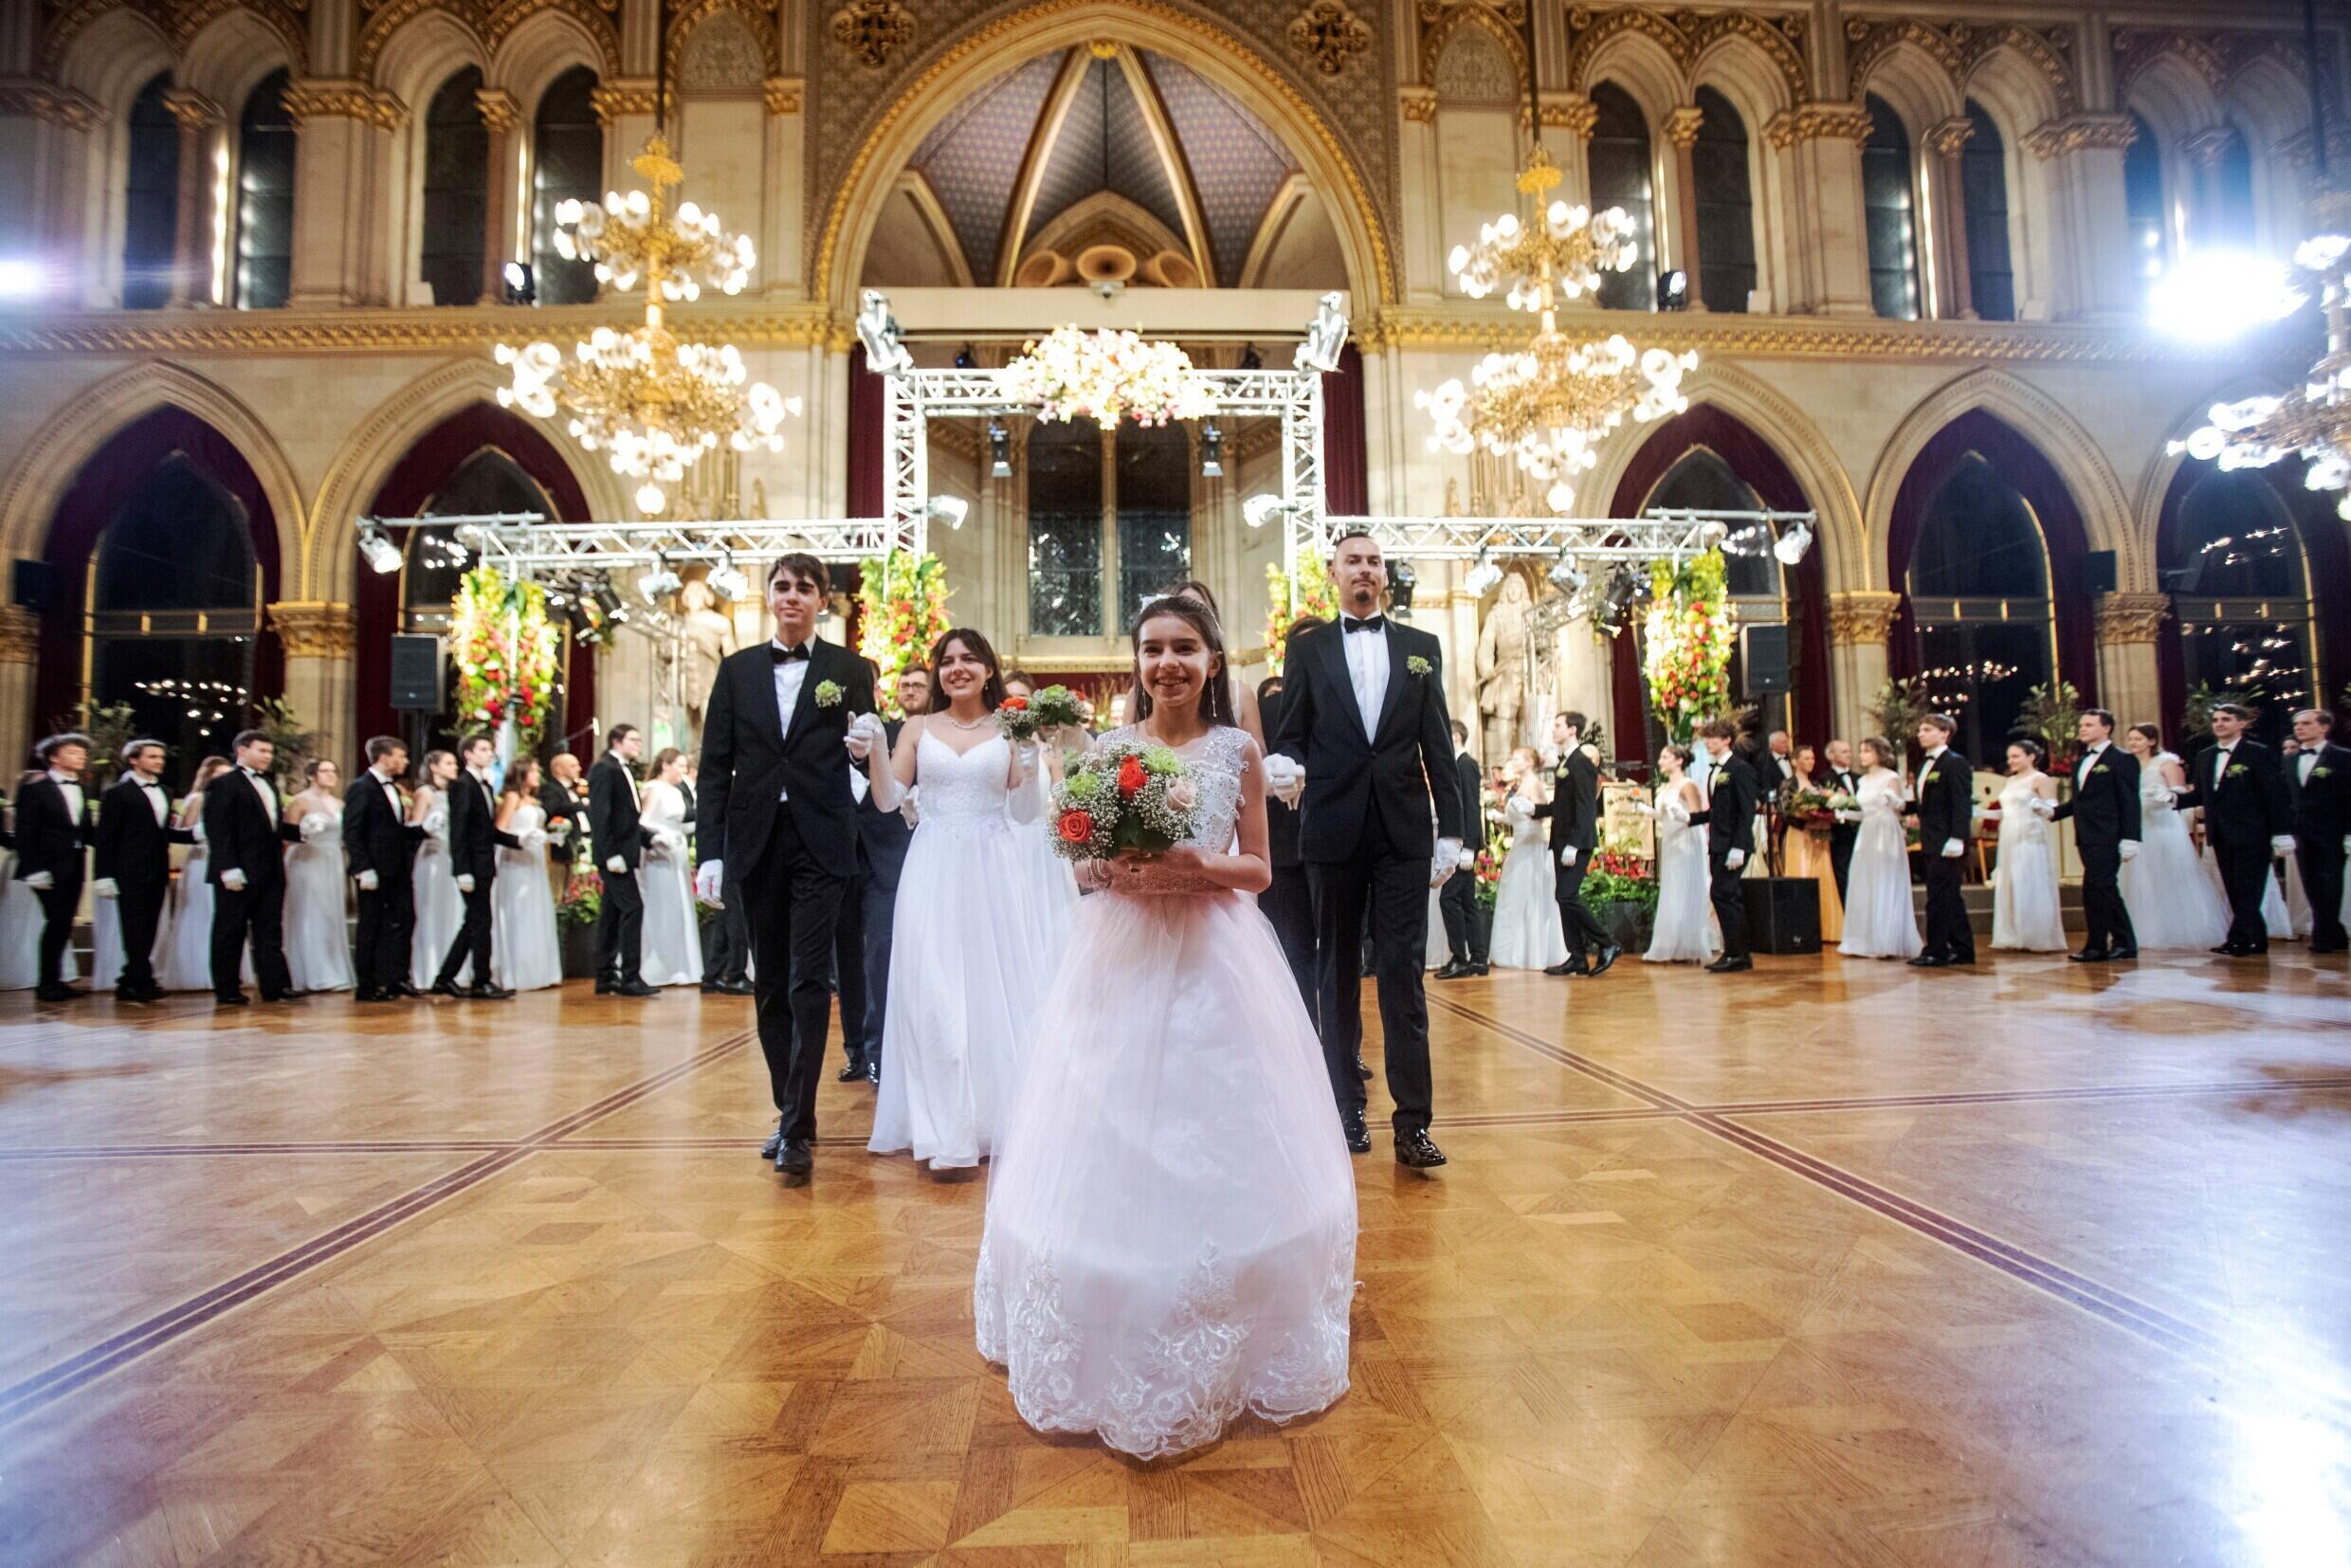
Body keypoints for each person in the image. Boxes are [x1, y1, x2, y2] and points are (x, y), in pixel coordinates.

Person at [975, 594, 1354, 1460]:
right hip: (1120, 954)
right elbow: (1080, 863)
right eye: (1153, 649)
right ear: (1137, 662)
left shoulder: (1237, 750)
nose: (1168, 663)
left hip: (1218, 955)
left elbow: (1259, 869)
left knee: (1218, 1119)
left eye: (1185, 647)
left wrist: (1195, 863)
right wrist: (1108, 865)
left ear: (1212, 661)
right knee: (1103, 1120)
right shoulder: (1109, 750)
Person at [1265, 529, 1464, 1168]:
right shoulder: (1309, 648)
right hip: (1332, 829)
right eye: (1354, 560)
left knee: (1404, 972)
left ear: (1383, 575)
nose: (1366, 569)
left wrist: (1453, 831)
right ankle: (1345, 1109)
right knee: (1337, 972)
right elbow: (1292, 732)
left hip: (1403, 833)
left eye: (1375, 561)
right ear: (1335, 573)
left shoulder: (1421, 648)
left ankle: (1413, 1124)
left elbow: (1438, 746)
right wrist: (1283, 764)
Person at [697, 555, 877, 1177]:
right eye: (782, 586)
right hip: (755, 839)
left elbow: (863, 753)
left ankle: (796, 1126)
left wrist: (864, 752)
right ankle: (789, 1107)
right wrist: (710, 852)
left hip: (821, 840)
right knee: (769, 981)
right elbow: (714, 767)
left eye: (804, 587)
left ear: (822, 600)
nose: (792, 595)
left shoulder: (848, 669)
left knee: (808, 980)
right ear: (770, 596)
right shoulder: (737, 670)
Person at [856, 629, 1060, 1171]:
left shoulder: (1010, 728)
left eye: (969, 659)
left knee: (994, 989)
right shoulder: (918, 729)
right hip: (932, 868)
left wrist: (1028, 761)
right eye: (947, 661)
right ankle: (943, 1127)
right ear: (938, 673)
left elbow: (1024, 814)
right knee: (933, 992)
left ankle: (996, 1119)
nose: (958, 668)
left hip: (994, 869)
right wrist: (876, 750)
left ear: (989, 669)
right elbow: (888, 800)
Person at [846, 663, 925, 1084]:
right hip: (861, 862)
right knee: (861, 959)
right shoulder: (875, 730)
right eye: (904, 685)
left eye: (918, 685)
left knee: (898, 958)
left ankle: (896, 1053)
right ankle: (864, 1052)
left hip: (908, 861)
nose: (910, 690)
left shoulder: (925, 734)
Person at [2174, 702, 2295, 956]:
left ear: (2242, 723)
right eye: (2216, 720)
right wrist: (2174, 799)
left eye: (2226, 719)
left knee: (2249, 887)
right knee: (2234, 888)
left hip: (2253, 831)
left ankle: (2238, 939)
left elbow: (2274, 794)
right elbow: (2202, 795)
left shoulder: (2258, 753)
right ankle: (2257, 938)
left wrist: (2281, 832)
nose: (2219, 724)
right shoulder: (2206, 756)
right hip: (2221, 833)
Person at [205, 729, 302, 1006]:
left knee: (269, 929)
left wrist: (300, 832)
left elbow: (269, 827)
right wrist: (228, 867)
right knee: (230, 931)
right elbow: (219, 829)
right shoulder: (223, 784)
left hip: (270, 868)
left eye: (270, 752)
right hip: (238, 870)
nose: (268, 756)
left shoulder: (269, 784)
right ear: (242, 750)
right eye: (262, 751)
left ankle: (275, 986)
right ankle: (227, 988)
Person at [91, 738, 189, 1003]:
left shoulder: (165, 791)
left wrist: (193, 835)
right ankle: (139, 980)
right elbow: (106, 838)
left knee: (150, 926)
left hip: (157, 868)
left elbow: (162, 832)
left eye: (161, 757)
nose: (159, 761)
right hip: (128, 868)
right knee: (133, 925)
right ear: (134, 760)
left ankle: (132, 980)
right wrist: (103, 875)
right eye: (152, 757)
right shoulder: (117, 793)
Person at [2118, 723, 2230, 950]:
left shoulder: (2166, 762)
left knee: (2166, 873)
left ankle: (2175, 928)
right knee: (2141, 876)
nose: (2133, 743)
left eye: (2138, 739)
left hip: (2161, 823)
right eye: (2130, 739)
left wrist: (2164, 796)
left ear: (2151, 741)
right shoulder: (2127, 764)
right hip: (2138, 824)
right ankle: (2141, 929)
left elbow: (2180, 793)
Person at [2039, 709, 2140, 961]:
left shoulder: (2121, 759)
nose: (2082, 729)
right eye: (2082, 725)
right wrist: (2054, 812)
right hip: (2086, 834)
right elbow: (2080, 801)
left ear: (2106, 728)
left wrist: (2131, 837)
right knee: (2102, 888)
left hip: (2109, 833)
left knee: (2098, 888)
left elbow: (2129, 801)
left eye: (2089, 725)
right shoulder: (2082, 760)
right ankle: (2124, 942)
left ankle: (2097, 946)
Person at [1255, 650, 1320, 1027]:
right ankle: (1320, 1036)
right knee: (1314, 949)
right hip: (1307, 841)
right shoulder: (1312, 707)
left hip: (1277, 846)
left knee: (1287, 946)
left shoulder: (1262, 710)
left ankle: (1297, 1030)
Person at [431, 734, 521, 1000]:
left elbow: (486, 830)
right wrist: (462, 870)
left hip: (483, 863)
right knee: (480, 922)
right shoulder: (462, 785)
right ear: (468, 755)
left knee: (475, 921)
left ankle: (445, 978)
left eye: (490, 749)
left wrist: (517, 841)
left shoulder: (484, 786)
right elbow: (458, 831)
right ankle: (480, 981)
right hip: (472, 865)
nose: (489, 753)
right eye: (483, 749)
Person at [1530, 711, 1619, 977]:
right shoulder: (1567, 761)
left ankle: (1608, 942)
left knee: (1566, 896)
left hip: (1575, 841)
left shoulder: (1581, 762)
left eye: (1558, 725)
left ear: (1572, 730)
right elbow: (1562, 805)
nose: (1553, 730)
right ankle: (1577, 957)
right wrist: (1534, 810)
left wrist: (1574, 844)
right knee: (1563, 897)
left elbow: (1585, 806)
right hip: (1561, 839)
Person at [344, 736, 422, 1002]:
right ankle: (367, 985)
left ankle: (396, 979)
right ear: (384, 757)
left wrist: (421, 830)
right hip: (374, 870)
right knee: (371, 926)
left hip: (398, 868)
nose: (406, 761)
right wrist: (363, 868)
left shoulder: (394, 789)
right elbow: (352, 832)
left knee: (404, 920)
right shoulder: (361, 788)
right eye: (401, 756)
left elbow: (392, 830)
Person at [17, 733, 93, 1002]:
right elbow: (26, 832)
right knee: (56, 922)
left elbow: (84, 831)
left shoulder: (81, 789)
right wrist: (33, 869)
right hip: (47, 868)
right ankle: (47, 983)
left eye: (82, 753)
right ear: (53, 757)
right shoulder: (35, 789)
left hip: (74, 865)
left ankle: (56, 980)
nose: (81, 757)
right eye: (73, 752)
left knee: (63, 924)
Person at [1836, 737, 1923, 960]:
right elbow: (1865, 812)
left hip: (1886, 831)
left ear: (1879, 753)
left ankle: (1887, 939)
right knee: (1864, 881)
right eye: (1861, 751)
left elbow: (1900, 808)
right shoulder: (1863, 780)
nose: (1862, 755)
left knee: (1885, 880)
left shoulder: (1890, 777)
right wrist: (1843, 813)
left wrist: (1893, 799)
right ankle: (1864, 939)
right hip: (1867, 831)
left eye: (1867, 751)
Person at [589, 726, 659, 999]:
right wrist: (610, 854)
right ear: (616, 742)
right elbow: (601, 815)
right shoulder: (605, 769)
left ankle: (605, 975)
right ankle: (630, 976)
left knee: (612, 913)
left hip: (624, 852)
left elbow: (626, 817)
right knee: (633, 908)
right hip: (614, 855)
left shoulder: (620, 769)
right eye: (633, 739)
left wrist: (649, 839)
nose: (638, 744)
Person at [1690, 719, 1759, 973]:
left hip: (1733, 844)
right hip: (1718, 842)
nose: (1709, 743)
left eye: (1714, 738)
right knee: (1725, 896)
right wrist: (1689, 819)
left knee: (1723, 894)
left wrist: (1738, 847)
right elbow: (1718, 810)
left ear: (1727, 740)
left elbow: (1746, 811)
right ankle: (1738, 953)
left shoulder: (1739, 769)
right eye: (1707, 738)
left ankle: (1737, 953)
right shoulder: (1716, 770)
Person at [160, 757, 234, 993]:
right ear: (208, 777)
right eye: (219, 774)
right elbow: (184, 830)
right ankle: (196, 970)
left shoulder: (234, 798)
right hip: (201, 859)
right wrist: (200, 833)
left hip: (227, 859)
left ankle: (223, 972)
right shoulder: (198, 798)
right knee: (201, 912)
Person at [1908, 714, 1977, 968]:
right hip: (1932, 839)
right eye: (1920, 729)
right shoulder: (1924, 765)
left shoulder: (1954, 763)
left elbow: (1961, 803)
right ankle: (1963, 948)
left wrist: (1957, 837)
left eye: (1927, 729)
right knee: (1949, 897)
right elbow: (1926, 804)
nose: (1920, 734)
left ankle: (1936, 951)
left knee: (1938, 898)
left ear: (1945, 733)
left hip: (1948, 841)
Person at [282, 758, 355, 994]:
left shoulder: (339, 803)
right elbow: (287, 835)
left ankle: (332, 969)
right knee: (310, 912)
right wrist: (304, 833)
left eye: (333, 771)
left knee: (329, 914)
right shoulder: (300, 801)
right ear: (311, 775)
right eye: (324, 771)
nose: (331, 775)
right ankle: (311, 972)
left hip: (332, 860)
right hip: (306, 859)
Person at [1490, 748, 1568, 970]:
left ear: (1529, 763)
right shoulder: (1521, 785)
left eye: (1517, 759)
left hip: (1532, 842)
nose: (1513, 762)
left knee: (1529, 894)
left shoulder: (1534, 783)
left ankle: (1532, 952)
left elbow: (1541, 814)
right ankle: (1515, 950)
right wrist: (1501, 817)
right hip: (1520, 842)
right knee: (1515, 894)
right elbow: (1518, 816)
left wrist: (1531, 810)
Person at [1641, 744, 1718, 964]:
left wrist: (1682, 815)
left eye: (1665, 757)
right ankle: (1672, 944)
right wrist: (1648, 812)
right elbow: (1665, 815)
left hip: (1687, 840)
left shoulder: (1688, 785)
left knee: (1685, 887)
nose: (1660, 761)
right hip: (1671, 839)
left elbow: (1696, 815)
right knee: (1673, 888)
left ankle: (1689, 944)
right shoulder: (1666, 787)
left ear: (1679, 761)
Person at [491, 757, 562, 992]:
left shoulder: (533, 800)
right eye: (533, 771)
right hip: (515, 858)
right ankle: (518, 971)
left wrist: (551, 835)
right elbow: (499, 829)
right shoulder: (512, 797)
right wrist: (521, 839)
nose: (537, 774)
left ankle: (540, 970)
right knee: (519, 910)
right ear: (521, 773)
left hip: (534, 857)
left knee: (536, 908)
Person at [637, 747, 703, 988]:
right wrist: (660, 837)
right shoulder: (653, 788)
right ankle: (659, 966)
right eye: (680, 766)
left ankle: (680, 965)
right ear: (665, 765)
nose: (683, 772)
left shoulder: (675, 791)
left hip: (677, 852)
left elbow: (680, 823)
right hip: (658, 854)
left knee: (678, 904)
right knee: (662, 906)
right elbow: (644, 821)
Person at [1993, 739, 2067, 953]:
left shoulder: (2040, 779)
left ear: (2031, 757)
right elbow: (2008, 811)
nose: (2011, 761)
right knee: (2011, 882)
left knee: (2029, 881)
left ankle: (2035, 934)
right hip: (2009, 835)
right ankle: (2013, 934)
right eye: (2009, 757)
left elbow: (2052, 809)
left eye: (2016, 756)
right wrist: (1984, 813)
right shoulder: (2010, 781)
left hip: (2029, 835)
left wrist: (2039, 806)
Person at [2287, 707, 2349, 954]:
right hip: (2301, 833)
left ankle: (2322, 937)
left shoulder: (2342, 757)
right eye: (2297, 724)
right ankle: (2336, 934)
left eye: (2306, 723)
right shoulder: (2290, 759)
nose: (2299, 728)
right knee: (2311, 884)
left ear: (2324, 727)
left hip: (2331, 832)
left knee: (2330, 884)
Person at [1431, 720, 1487, 978]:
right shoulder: (1459, 764)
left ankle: (1460, 957)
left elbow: (1470, 808)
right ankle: (1478, 957)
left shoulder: (1466, 765)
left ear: (1454, 737)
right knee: (1466, 901)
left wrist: (1469, 847)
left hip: (1464, 845)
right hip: (1463, 843)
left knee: (1449, 899)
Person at [409, 751, 465, 993]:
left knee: (453, 911)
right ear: (434, 767)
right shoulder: (425, 793)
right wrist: (427, 828)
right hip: (433, 857)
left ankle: (453, 969)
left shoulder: (455, 792)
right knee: (431, 910)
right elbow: (414, 826)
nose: (454, 767)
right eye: (449, 763)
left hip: (453, 856)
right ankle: (428, 969)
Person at [1777, 742, 1844, 944]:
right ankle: (1800, 930)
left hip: (1820, 835)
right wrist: (1806, 820)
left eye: (1813, 758)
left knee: (1824, 876)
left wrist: (1827, 817)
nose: (1811, 762)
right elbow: (1784, 811)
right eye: (1806, 758)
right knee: (1801, 875)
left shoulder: (1818, 785)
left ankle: (1827, 929)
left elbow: (1829, 805)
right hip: (1799, 834)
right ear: (1795, 761)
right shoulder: (1788, 784)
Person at [1822, 738, 1861, 901]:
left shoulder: (1859, 778)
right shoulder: (1825, 779)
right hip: (1840, 835)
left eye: (1849, 751)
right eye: (1844, 752)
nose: (1849, 755)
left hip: (1861, 834)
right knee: (1843, 872)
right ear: (1831, 756)